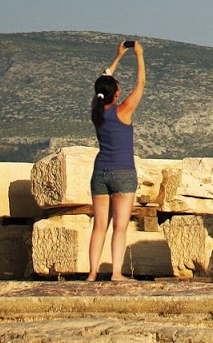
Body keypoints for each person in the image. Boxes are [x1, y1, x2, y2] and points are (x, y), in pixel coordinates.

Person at [87, 40, 145, 280]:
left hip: (100, 172)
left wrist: (118, 56)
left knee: (99, 226)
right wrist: (138, 56)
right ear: (117, 93)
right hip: (123, 172)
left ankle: (91, 274)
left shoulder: (97, 113)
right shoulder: (124, 110)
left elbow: (103, 80)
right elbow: (141, 84)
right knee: (119, 227)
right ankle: (116, 273)